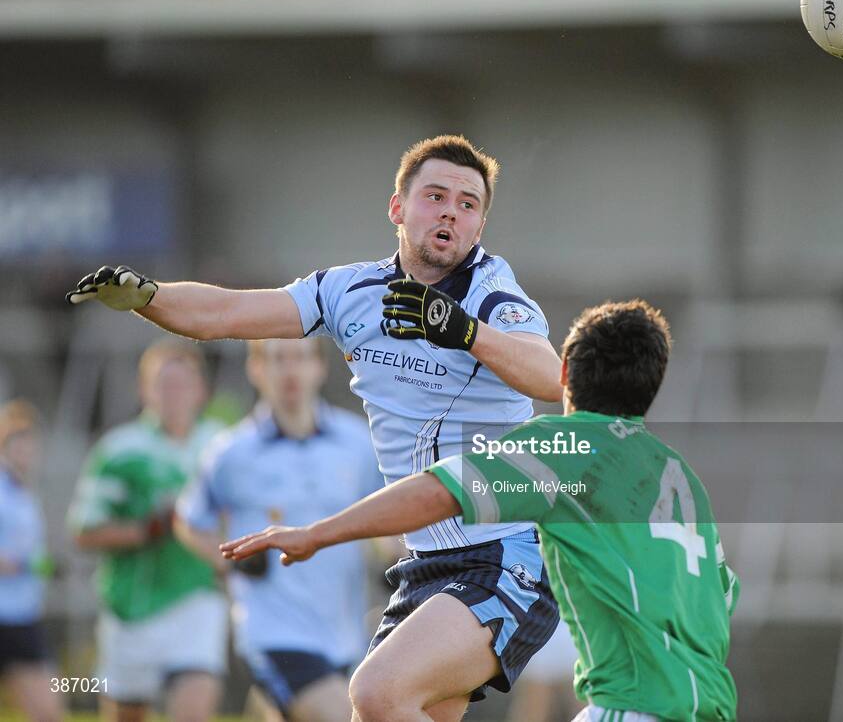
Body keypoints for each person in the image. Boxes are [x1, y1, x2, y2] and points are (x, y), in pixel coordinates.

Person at [66, 135, 564, 722]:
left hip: (508, 553)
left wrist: (462, 332)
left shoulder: (494, 297)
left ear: (479, 226)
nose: (451, 211)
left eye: (468, 203)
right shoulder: (349, 292)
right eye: (435, 196)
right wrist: (149, 297)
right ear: (398, 209)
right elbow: (226, 313)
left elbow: (554, 378)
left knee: (376, 693)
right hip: (426, 562)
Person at [221, 300, 741, 722]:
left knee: (376, 693)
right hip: (710, 707)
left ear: (563, 373)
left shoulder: (570, 446)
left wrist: (317, 534)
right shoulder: (680, 477)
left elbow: (437, 493)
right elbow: (722, 594)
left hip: (635, 708)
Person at [175, 338, 382, 722]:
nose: (290, 371)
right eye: (277, 360)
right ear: (256, 370)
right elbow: (189, 521)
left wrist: (394, 556)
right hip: (272, 629)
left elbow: (383, 519)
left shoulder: (357, 442)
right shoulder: (231, 452)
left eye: (300, 359)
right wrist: (231, 562)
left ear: (319, 367)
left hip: (343, 633)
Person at [68, 339, 227, 722]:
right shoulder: (120, 450)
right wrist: (148, 529)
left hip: (197, 597)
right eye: (163, 384)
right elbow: (84, 531)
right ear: (145, 391)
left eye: (182, 384)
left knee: (195, 701)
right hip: (132, 607)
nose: (173, 394)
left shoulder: (223, 446)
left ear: (201, 391)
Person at [0, 400, 64, 722]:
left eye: (30, 442)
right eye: (17, 441)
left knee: (48, 711)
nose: (25, 450)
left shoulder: (25, 493)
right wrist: (26, 565)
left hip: (22, 616)